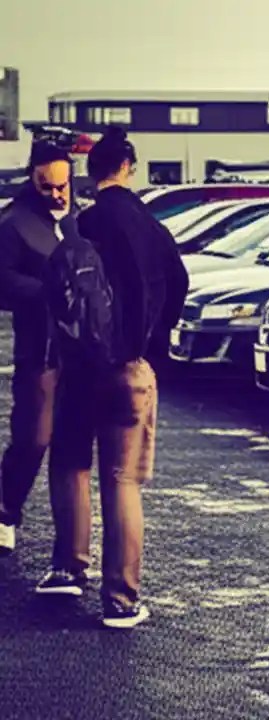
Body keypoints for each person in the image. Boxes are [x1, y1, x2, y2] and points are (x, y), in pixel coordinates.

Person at [40, 127, 189, 629]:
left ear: (91, 171)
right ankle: (121, 600)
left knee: (70, 462)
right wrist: (152, 340)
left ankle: (67, 568)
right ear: (129, 168)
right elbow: (178, 285)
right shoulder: (152, 227)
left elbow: (58, 289)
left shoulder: (82, 224)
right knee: (122, 480)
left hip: (81, 366)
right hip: (131, 366)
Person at [0, 142, 73, 555]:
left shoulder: (76, 220)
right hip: (39, 352)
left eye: (63, 186)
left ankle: (71, 547)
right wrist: (47, 291)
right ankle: (5, 511)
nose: (57, 194)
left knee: (71, 445)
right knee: (34, 438)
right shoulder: (14, 225)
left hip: (81, 352)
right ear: (33, 180)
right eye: (48, 187)